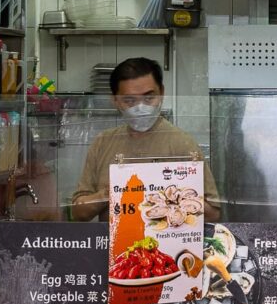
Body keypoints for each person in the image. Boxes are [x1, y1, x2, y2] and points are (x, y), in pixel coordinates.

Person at [71, 57, 221, 222]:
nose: (141, 107)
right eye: (129, 100)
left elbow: (213, 214)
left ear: (162, 92)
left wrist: (172, 194)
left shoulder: (182, 143)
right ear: (115, 100)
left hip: (167, 245)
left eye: (149, 98)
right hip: (114, 243)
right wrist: (109, 192)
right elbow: (79, 213)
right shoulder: (103, 142)